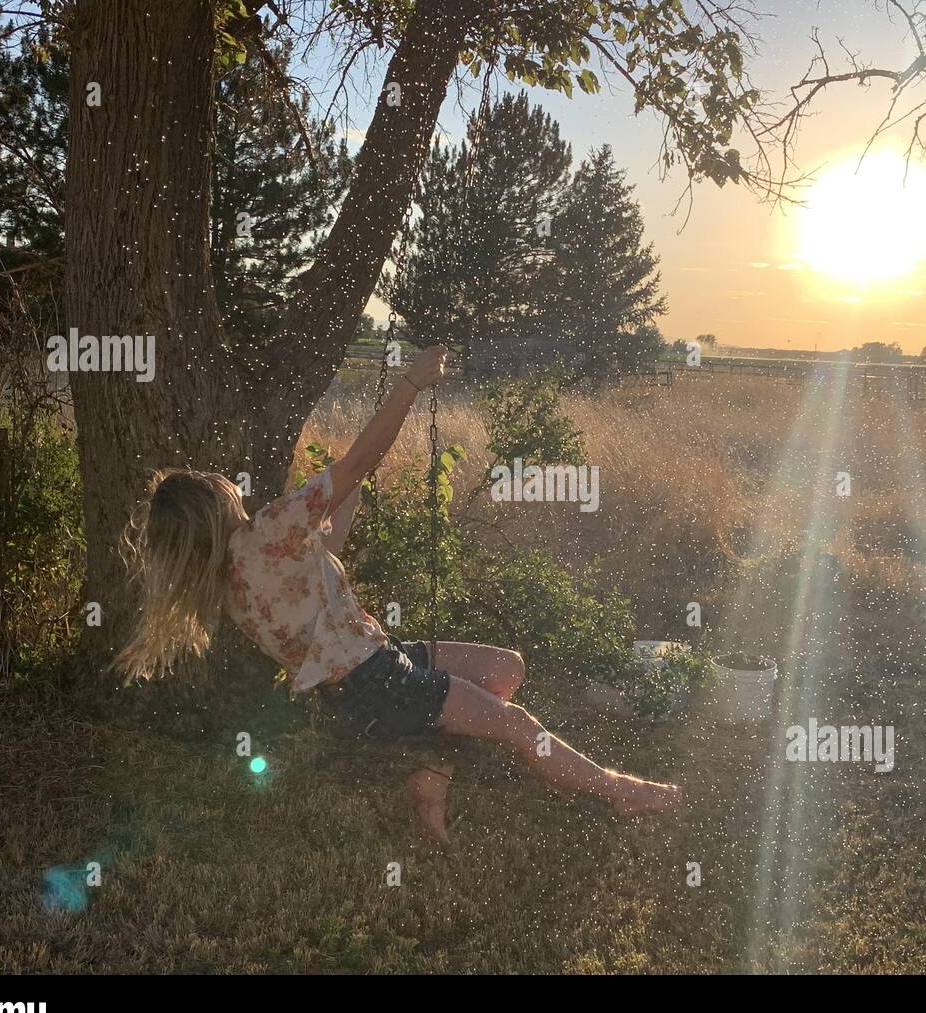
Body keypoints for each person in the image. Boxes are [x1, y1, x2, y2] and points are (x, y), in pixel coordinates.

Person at [114, 344, 680, 843]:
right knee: (516, 723)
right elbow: (359, 459)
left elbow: (332, 536)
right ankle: (615, 788)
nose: (232, 488)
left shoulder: (233, 581)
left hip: (370, 673)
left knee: (503, 669)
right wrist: (409, 384)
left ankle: (436, 779)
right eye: (222, 488)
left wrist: (348, 484)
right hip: (377, 683)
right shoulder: (264, 532)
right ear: (214, 512)